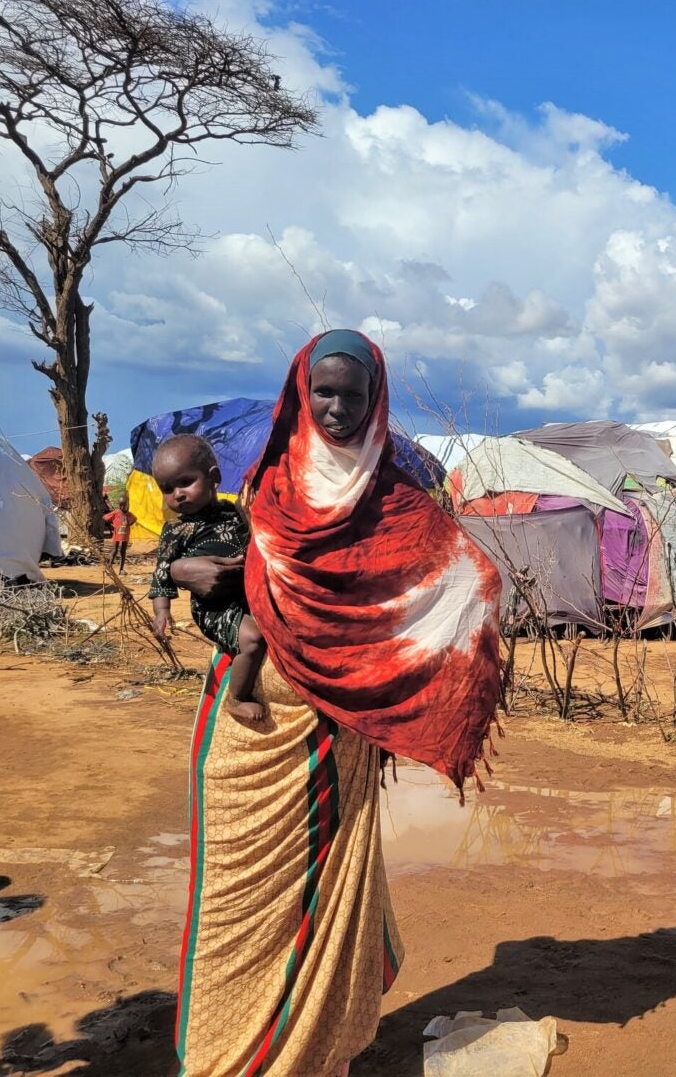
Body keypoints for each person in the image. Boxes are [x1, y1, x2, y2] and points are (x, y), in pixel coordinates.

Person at [169, 329, 502, 1076]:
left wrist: (398, 675)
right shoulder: (269, 482)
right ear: (301, 392)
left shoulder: (395, 499)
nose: (339, 407)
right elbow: (243, 570)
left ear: (375, 399)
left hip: (333, 726)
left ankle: (310, 1053)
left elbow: (470, 579)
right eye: (325, 392)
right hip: (247, 716)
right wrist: (219, 574)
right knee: (233, 894)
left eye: (355, 395)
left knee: (319, 890)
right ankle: (229, 1053)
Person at [146, 434, 267, 724]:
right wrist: (162, 612)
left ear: (214, 477)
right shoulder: (176, 529)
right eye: (167, 488)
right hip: (214, 607)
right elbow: (162, 573)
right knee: (253, 639)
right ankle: (238, 697)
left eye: (185, 482)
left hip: (246, 594)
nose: (177, 494)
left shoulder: (233, 512)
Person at [102, 492, 135, 569]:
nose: (125, 507)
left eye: (127, 505)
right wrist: (112, 524)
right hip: (117, 534)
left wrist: (128, 525)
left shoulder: (129, 514)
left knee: (123, 552)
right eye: (123, 506)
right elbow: (105, 517)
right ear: (120, 506)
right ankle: (109, 565)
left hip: (125, 535)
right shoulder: (116, 512)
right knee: (115, 550)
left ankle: (121, 569)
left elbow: (134, 520)